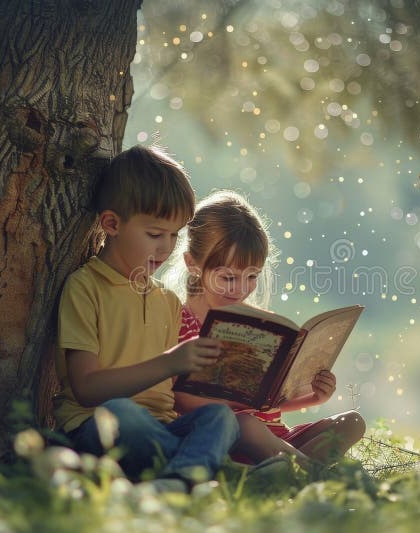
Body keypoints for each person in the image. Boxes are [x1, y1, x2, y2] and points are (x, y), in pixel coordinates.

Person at [53, 144, 239, 493]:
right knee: (125, 416)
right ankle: (208, 472)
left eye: (174, 235)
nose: (165, 248)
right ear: (112, 224)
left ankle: (174, 480)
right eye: (154, 234)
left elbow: (175, 391)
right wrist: (170, 362)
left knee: (221, 419)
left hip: (162, 426)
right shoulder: (85, 287)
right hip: (99, 424)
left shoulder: (167, 301)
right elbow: (87, 388)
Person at [165, 190, 365, 467]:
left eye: (251, 277)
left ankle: (285, 464)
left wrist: (313, 395)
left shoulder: (260, 327)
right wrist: (233, 406)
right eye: (228, 277)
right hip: (224, 437)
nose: (240, 289)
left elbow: (269, 402)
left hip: (277, 437)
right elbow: (179, 400)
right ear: (193, 264)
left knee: (352, 422)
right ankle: (311, 472)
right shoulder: (179, 322)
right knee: (247, 424)